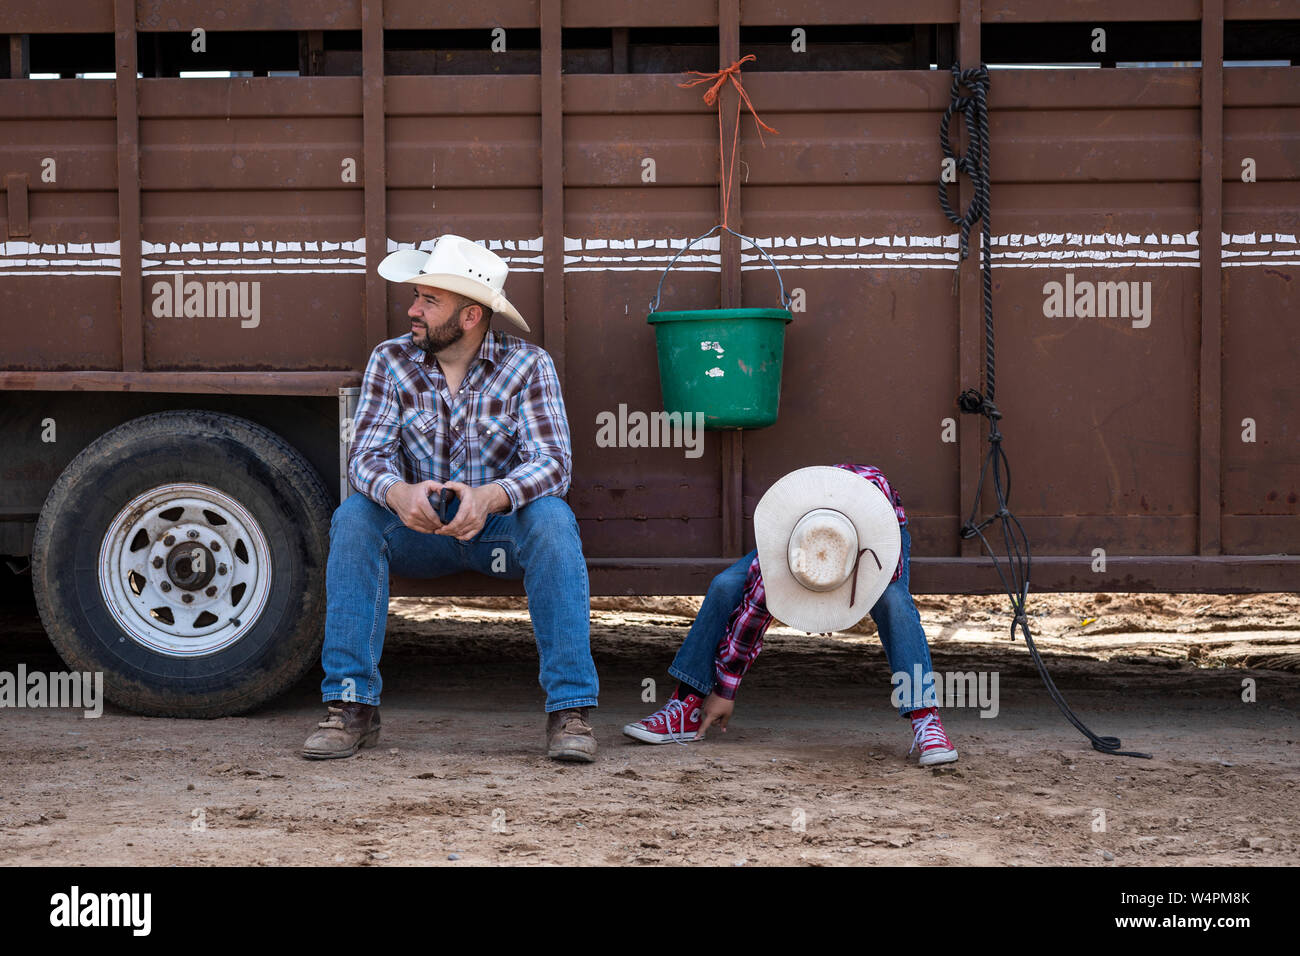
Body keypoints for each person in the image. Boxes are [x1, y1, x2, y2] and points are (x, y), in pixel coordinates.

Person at [302, 235, 599, 762]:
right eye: (416, 297)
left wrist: (489, 497)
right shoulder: (390, 360)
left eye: (428, 301)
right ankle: (351, 707)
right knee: (355, 517)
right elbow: (365, 458)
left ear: (469, 317)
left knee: (553, 517)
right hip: (419, 529)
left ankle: (569, 712)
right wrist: (398, 492)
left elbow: (555, 464)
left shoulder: (528, 365)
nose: (412, 310)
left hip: (499, 531)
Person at [624, 463, 958, 766]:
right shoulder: (793, 546)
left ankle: (925, 717)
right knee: (726, 585)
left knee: (893, 602)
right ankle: (687, 703)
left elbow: (882, 576)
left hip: (874, 531)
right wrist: (726, 690)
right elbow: (754, 614)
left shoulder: (881, 542)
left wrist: (839, 600)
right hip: (809, 523)